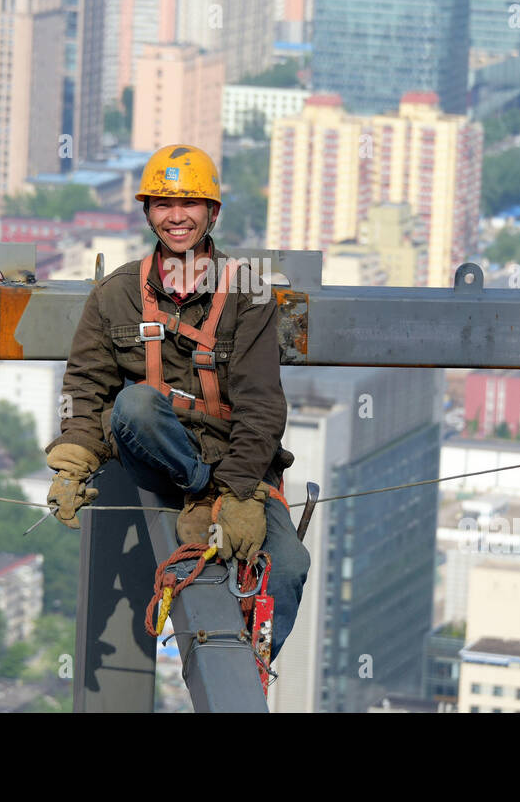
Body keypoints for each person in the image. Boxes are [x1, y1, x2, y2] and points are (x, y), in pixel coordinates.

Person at [43, 143, 310, 660]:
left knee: (291, 566)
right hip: (160, 455)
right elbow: (85, 384)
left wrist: (235, 494)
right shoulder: (116, 294)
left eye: (189, 203)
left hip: (234, 459)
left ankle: (249, 663)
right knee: (135, 405)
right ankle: (197, 493)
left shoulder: (248, 295)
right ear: (147, 212)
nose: (176, 216)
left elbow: (262, 407)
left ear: (212, 213)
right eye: (163, 205)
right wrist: (72, 465)